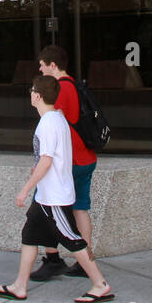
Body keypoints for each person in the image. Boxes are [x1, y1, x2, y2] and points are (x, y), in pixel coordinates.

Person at [0, 75, 114, 303]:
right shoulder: (58, 118)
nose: (30, 93)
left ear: (37, 96)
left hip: (54, 198)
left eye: (31, 90)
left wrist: (25, 189)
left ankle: (100, 284)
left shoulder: (48, 123)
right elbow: (50, 158)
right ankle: (20, 286)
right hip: (46, 197)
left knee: (74, 241)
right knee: (29, 236)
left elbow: (47, 161)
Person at [31, 44, 100, 280]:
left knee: (46, 207)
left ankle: (53, 258)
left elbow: (52, 125)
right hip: (85, 158)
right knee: (80, 208)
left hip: (69, 163)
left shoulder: (60, 90)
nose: (40, 70)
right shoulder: (75, 86)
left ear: (52, 65)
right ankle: (85, 261)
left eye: (42, 65)